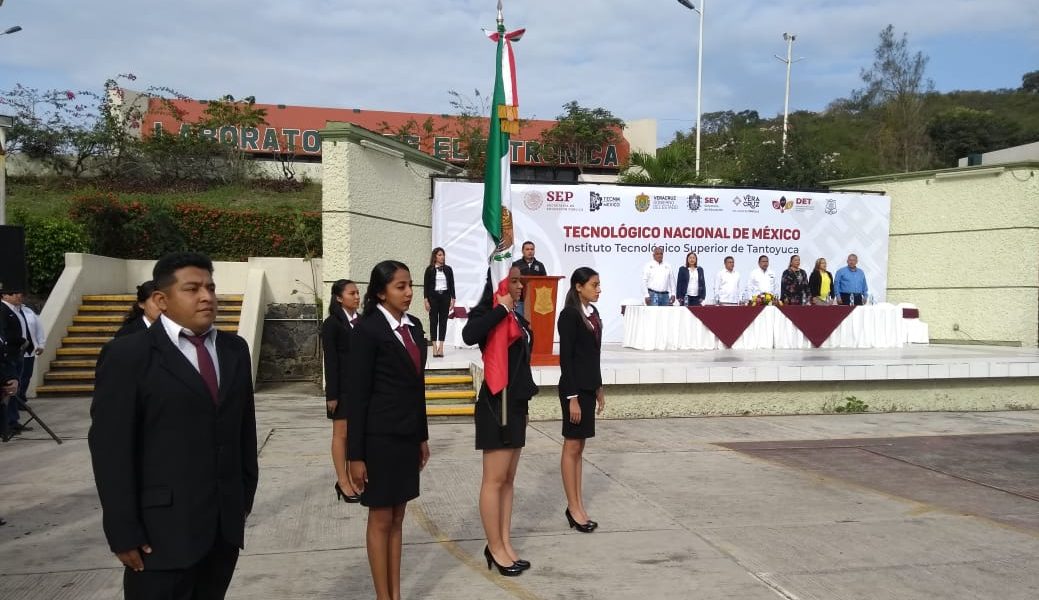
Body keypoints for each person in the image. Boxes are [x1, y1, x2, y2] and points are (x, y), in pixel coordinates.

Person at [88, 252, 258, 600]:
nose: (206, 296)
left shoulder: (234, 349)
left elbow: (243, 429)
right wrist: (123, 530)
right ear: (162, 300)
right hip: (159, 533)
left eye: (210, 287)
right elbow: (111, 450)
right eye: (192, 289)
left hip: (221, 527)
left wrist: (243, 493)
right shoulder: (128, 355)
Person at [347, 260, 430, 600]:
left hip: (407, 437)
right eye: (400, 286)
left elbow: (417, 386)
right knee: (381, 517)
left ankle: (394, 594)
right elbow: (357, 396)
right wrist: (355, 455)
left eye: (410, 285)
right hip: (379, 439)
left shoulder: (414, 326)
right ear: (381, 293)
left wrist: (422, 436)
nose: (409, 292)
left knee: (398, 516)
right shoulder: (368, 331)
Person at [462, 266, 538, 577]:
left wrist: (509, 309)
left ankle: (505, 542)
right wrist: (501, 307)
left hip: (516, 402)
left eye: (522, 281)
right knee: (494, 480)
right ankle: (493, 546)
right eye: (515, 280)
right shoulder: (491, 310)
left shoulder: (517, 315)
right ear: (502, 282)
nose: (521, 286)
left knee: (508, 480)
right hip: (497, 402)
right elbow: (469, 335)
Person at [557, 267, 604, 534]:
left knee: (579, 449)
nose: (598, 289)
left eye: (598, 285)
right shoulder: (569, 315)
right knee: (571, 447)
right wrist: (572, 397)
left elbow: (593, 355)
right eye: (594, 285)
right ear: (578, 286)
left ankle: (578, 504)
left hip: (588, 387)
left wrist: (598, 386)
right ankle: (573, 507)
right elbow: (567, 359)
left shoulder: (593, 314)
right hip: (573, 390)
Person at [322, 279, 362, 504]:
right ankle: (342, 481)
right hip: (342, 389)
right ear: (339, 298)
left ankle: (355, 480)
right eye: (351, 293)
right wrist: (332, 395)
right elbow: (331, 361)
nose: (356, 297)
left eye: (357, 293)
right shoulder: (332, 324)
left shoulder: (362, 322)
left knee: (356, 435)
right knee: (341, 435)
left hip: (360, 389)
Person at [0, 290, 33, 433]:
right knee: (10, 388)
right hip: (9, 355)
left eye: (19, 293)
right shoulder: (3, 309)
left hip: (18, 353)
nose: (18, 295)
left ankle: (13, 420)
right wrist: (20, 341)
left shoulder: (17, 310)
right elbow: (5, 333)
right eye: (14, 293)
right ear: (4, 295)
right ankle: (8, 422)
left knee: (16, 388)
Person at [423, 247, 455, 358]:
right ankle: (434, 347)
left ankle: (441, 347)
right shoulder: (429, 269)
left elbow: (451, 284)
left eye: (443, 255)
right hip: (433, 298)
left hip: (445, 297)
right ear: (435, 256)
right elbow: (426, 286)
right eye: (440, 255)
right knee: (433, 321)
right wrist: (426, 300)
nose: (442, 257)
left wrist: (453, 298)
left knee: (443, 322)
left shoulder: (448, 269)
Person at [512, 241, 547, 317]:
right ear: (522, 251)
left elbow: (545, 282)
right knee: (520, 324)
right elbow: (512, 282)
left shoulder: (540, 265)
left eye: (532, 249)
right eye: (527, 249)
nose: (530, 251)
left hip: (536, 302)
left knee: (534, 325)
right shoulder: (516, 264)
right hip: (520, 300)